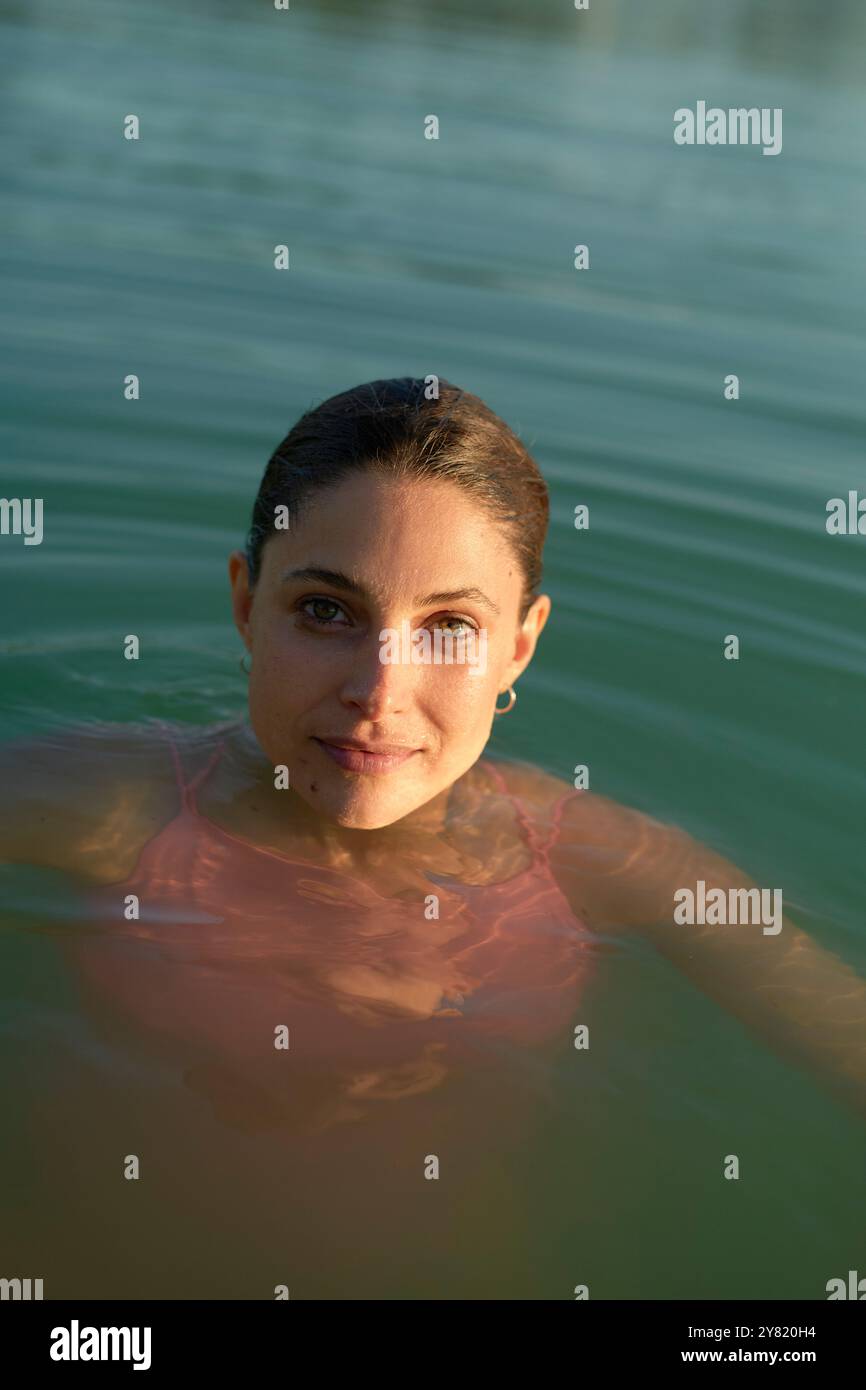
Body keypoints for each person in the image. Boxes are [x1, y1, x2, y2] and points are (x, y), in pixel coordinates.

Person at [2, 377, 865, 1141]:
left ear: (519, 649)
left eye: (450, 628)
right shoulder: (120, 802)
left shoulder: (605, 861)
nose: (380, 692)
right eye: (326, 611)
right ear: (246, 604)